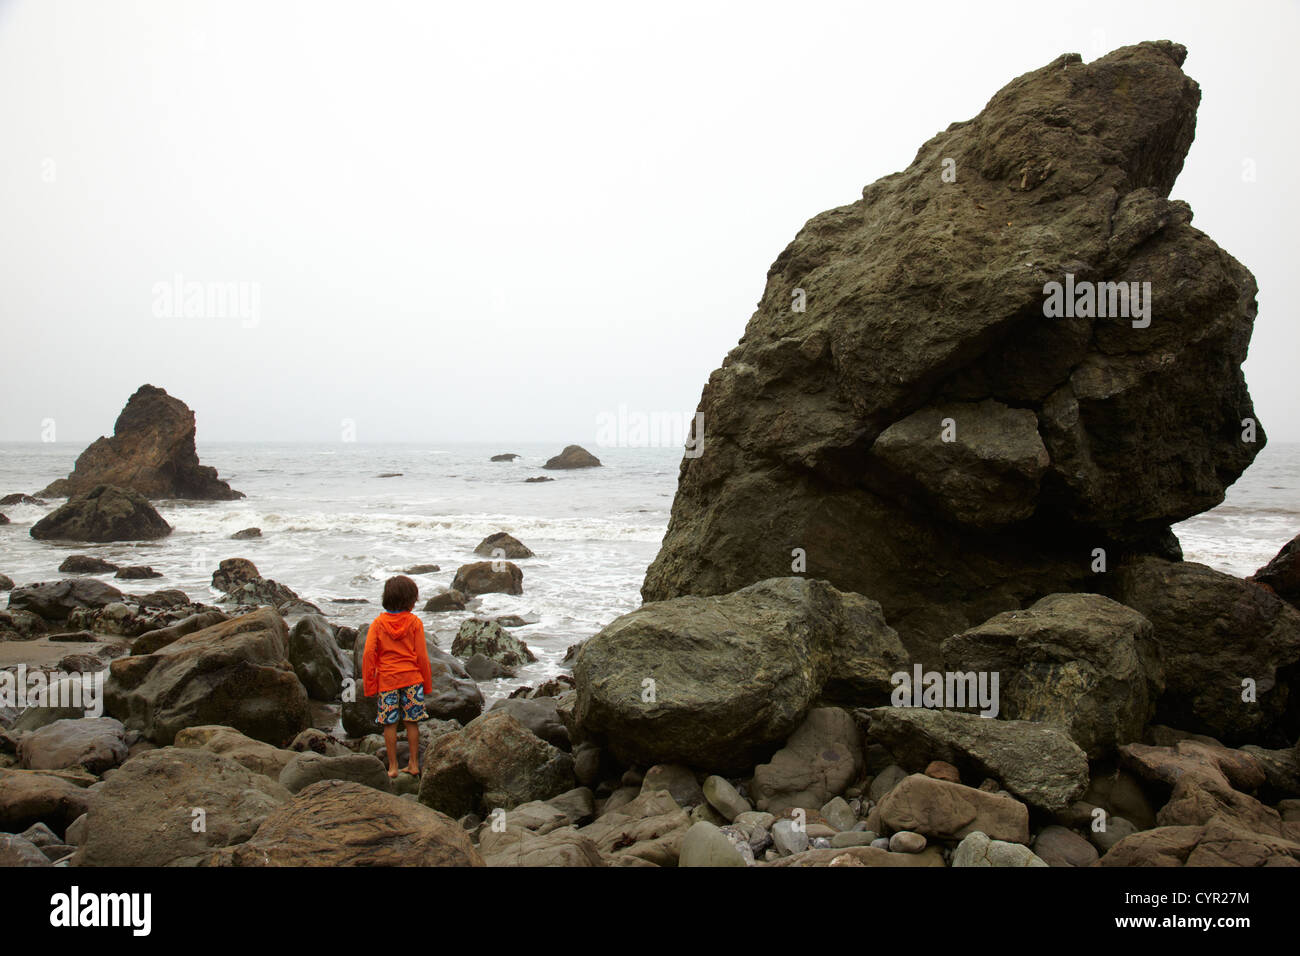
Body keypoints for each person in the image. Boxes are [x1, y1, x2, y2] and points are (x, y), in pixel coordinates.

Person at [361, 575, 433, 778]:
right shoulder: (415, 623)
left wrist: (369, 685)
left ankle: (392, 767)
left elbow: (368, 654)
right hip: (412, 679)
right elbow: (422, 656)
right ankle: (413, 764)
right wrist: (426, 685)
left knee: (389, 724)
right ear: (410, 600)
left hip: (387, 680)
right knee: (412, 723)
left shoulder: (378, 624)